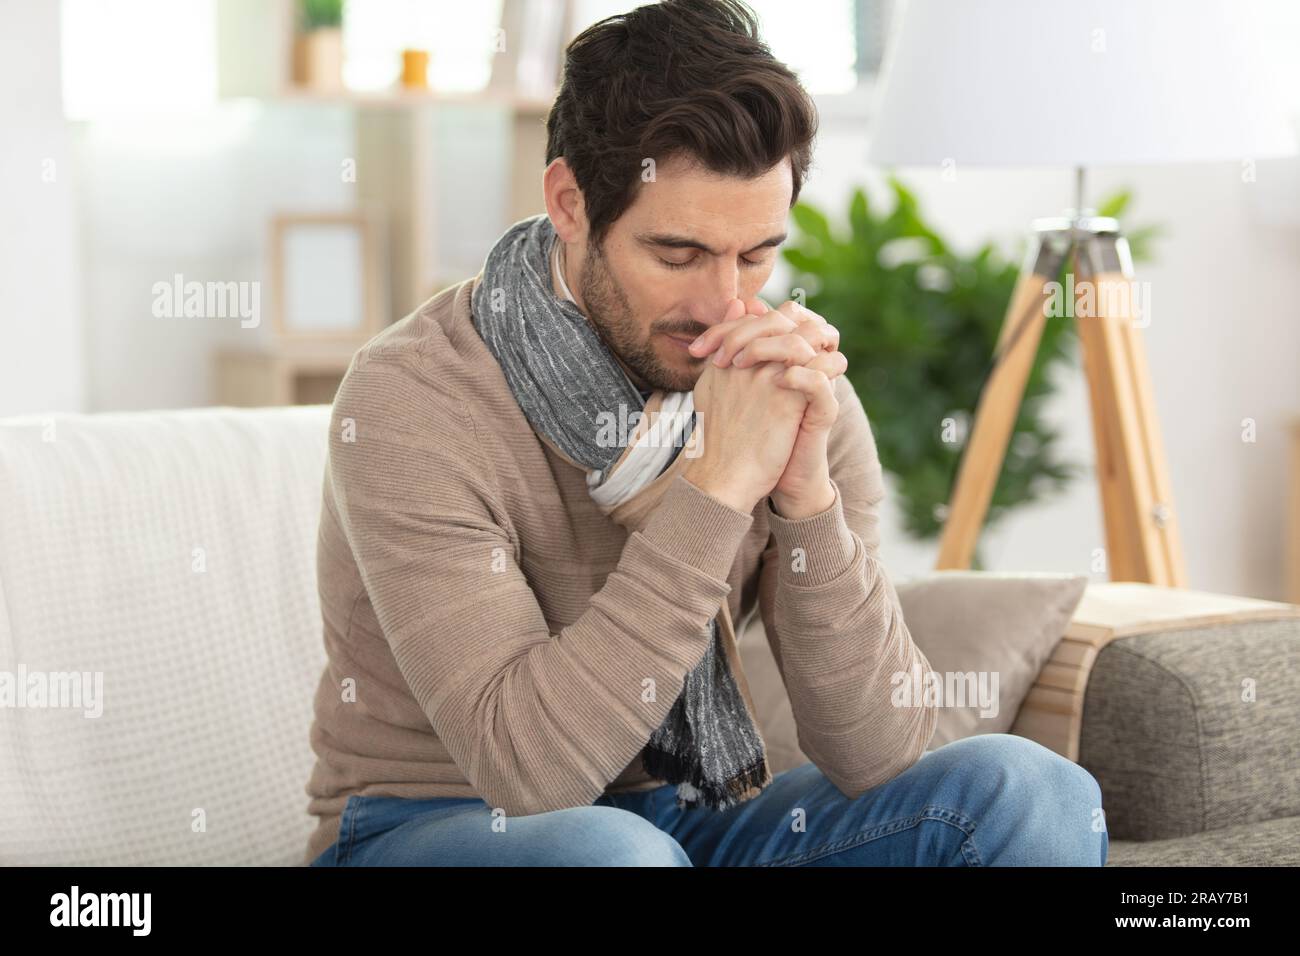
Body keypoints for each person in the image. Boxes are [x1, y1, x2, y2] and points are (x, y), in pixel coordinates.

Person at [302, 0, 1107, 867]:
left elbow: (878, 755)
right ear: (571, 203)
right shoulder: (415, 399)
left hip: (691, 816)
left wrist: (805, 498)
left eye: (757, 253)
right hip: (431, 826)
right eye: (679, 255)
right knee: (615, 858)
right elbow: (527, 772)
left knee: (1032, 794)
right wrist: (716, 489)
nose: (724, 303)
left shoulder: (780, 386)